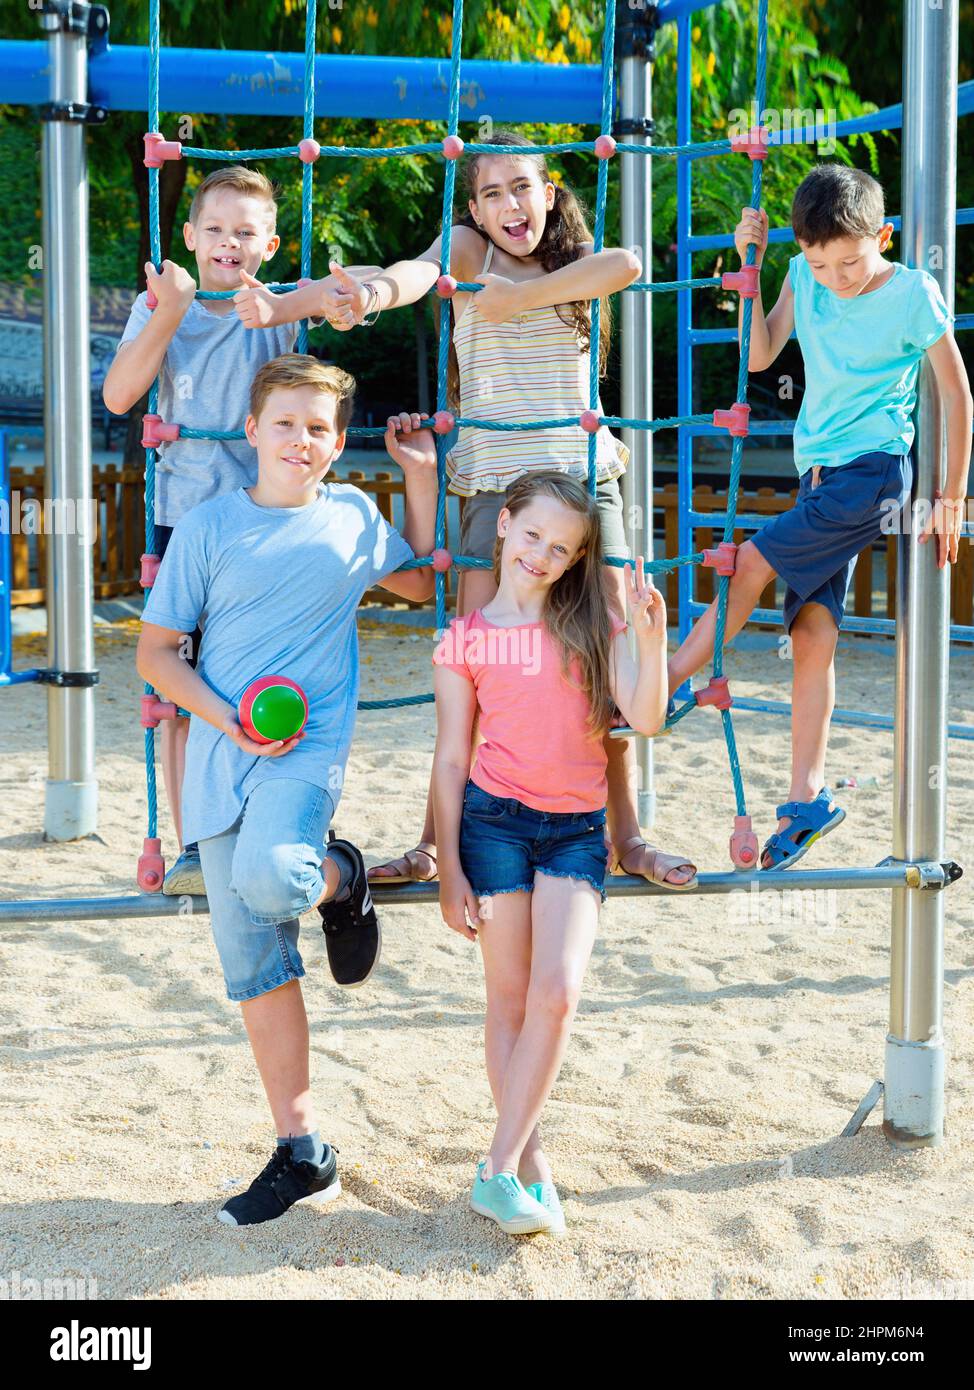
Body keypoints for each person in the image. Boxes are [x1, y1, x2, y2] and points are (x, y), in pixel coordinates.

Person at [237, 130, 697, 893]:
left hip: (585, 477)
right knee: (477, 658)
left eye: (523, 187)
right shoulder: (467, 253)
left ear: (550, 194)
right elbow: (412, 276)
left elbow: (631, 263)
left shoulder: (574, 268)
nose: (510, 204)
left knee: (608, 654)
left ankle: (628, 834)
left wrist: (521, 297)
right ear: (475, 212)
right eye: (491, 193)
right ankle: (432, 839)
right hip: (494, 486)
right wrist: (372, 295)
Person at [136, 354, 437, 1225]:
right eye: (285, 424)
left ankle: (342, 875)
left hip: (306, 755)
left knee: (272, 880)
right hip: (223, 755)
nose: (300, 440)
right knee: (250, 956)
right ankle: (302, 1150)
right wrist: (227, 720)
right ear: (252, 431)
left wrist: (417, 482)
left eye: (318, 428)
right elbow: (157, 654)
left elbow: (417, 583)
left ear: (339, 444)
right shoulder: (208, 527)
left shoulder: (352, 519)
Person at [668, 164, 972, 869]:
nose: (836, 276)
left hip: (873, 475)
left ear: (884, 237)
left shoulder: (909, 293)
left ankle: (670, 678)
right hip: (820, 480)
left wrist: (951, 492)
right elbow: (759, 354)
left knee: (747, 561)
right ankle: (808, 797)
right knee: (810, 635)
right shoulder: (803, 278)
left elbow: (957, 395)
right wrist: (753, 266)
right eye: (820, 261)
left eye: (852, 261)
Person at [104, 165, 371, 895]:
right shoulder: (161, 307)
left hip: (264, 529)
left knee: (253, 679)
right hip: (187, 522)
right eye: (215, 230)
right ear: (189, 238)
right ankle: (195, 844)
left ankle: (267, 818)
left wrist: (287, 307)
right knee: (185, 689)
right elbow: (122, 393)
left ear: (271, 244)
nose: (229, 243)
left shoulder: (272, 307)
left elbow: (340, 294)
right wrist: (169, 309)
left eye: (246, 233)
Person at [431, 471, 668, 1236]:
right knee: (508, 1002)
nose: (543, 554)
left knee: (556, 994)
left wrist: (649, 638)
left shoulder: (591, 627)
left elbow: (646, 716)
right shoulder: (464, 638)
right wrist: (449, 870)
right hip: (492, 826)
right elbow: (449, 758)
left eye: (562, 548)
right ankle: (529, 1168)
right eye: (532, 534)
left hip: (572, 829)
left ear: (574, 560)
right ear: (503, 526)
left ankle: (494, 1169)